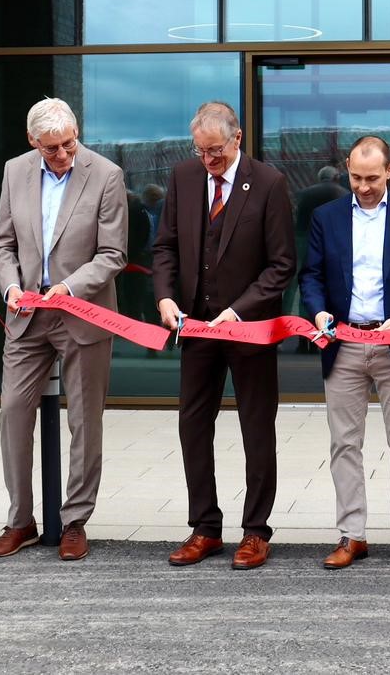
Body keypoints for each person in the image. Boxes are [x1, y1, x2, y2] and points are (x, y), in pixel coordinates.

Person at [152, 101, 296, 570]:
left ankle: (256, 531)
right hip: (194, 326)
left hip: (249, 329)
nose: (207, 160)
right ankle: (205, 527)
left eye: (214, 150)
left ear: (237, 140)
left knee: (256, 427)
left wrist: (239, 310)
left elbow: (281, 265)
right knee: (193, 425)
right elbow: (166, 247)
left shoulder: (270, 183)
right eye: (200, 151)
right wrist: (165, 299)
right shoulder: (184, 177)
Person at [0, 98, 128, 561]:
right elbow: (2, 246)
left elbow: (113, 254)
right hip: (26, 313)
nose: (64, 155)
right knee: (12, 412)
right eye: (53, 149)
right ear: (33, 142)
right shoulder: (15, 171)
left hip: (82, 312)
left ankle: (75, 520)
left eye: (69, 143)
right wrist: (10, 288)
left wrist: (69, 287)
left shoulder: (106, 174)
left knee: (85, 420)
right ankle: (21, 519)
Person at [301, 136, 390, 571]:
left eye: (372, 178)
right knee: (344, 443)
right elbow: (312, 275)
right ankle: (352, 534)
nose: (363, 186)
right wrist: (319, 311)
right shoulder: (327, 217)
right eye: (356, 177)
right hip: (343, 344)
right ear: (346, 168)